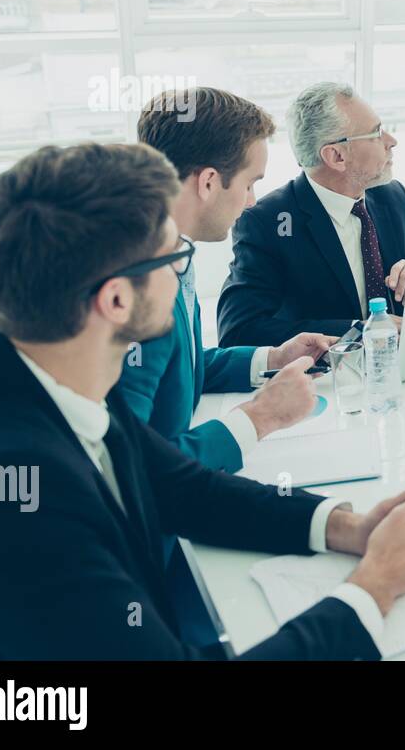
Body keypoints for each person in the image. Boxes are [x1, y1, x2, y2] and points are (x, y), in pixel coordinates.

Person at [0, 143, 405, 658]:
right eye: (173, 256)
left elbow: (179, 486)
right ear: (116, 300)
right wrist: (376, 584)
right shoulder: (21, 502)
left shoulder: (27, 359)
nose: (183, 273)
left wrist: (348, 527)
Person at [117, 87, 337, 472]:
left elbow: (179, 368)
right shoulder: (136, 292)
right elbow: (135, 470)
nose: (252, 201)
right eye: (249, 183)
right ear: (208, 183)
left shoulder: (173, 251)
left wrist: (272, 357)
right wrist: (260, 416)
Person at [217, 82, 405, 348]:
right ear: (336, 156)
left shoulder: (393, 197)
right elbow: (239, 331)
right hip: (328, 380)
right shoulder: (267, 222)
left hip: (403, 367)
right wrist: (358, 331)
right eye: (375, 133)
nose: (391, 142)